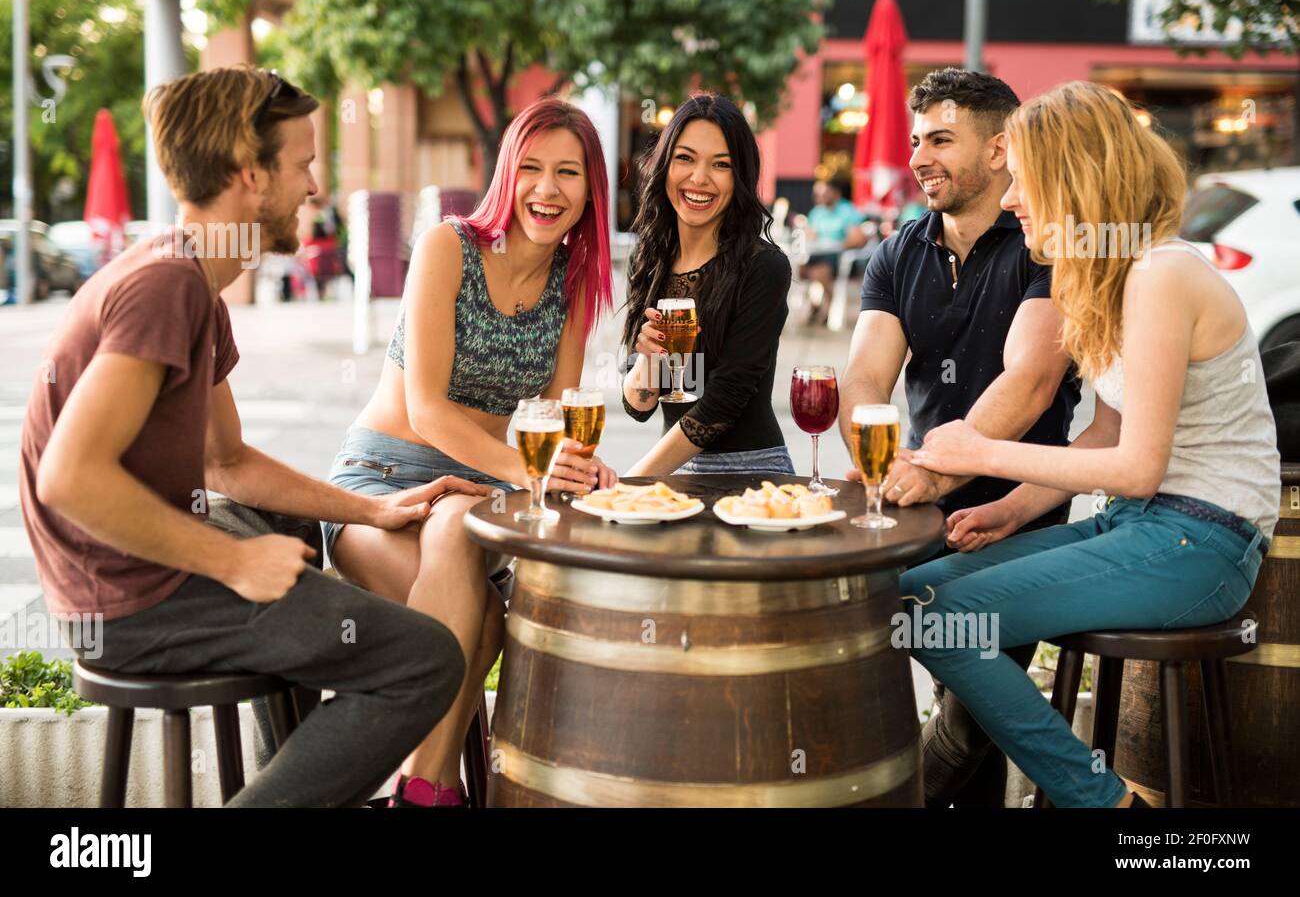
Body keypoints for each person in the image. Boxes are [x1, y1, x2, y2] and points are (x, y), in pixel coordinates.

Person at [18, 66, 475, 807]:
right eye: (302, 164)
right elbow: (69, 476)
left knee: (295, 523)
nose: (315, 187)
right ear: (248, 174)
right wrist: (231, 561)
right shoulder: (165, 287)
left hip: (130, 569)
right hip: (127, 598)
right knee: (425, 658)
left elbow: (223, 462)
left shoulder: (193, 279)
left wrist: (374, 510)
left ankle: (284, 777)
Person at [904, 80, 1282, 807]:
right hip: (1139, 525)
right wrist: (1013, 509)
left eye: (1025, 181)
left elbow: (1137, 466)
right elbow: (1107, 431)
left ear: (1075, 179)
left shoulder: (1162, 275)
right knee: (905, 598)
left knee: (946, 619)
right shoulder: (1106, 277)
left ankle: (1106, 804)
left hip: (1205, 542)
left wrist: (981, 453)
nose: (1013, 200)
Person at [325, 97, 618, 807]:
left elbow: (551, 417)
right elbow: (425, 410)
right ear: (507, 172)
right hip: (380, 489)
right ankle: (434, 788)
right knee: (485, 618)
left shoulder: (572, 285)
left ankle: (419, 790)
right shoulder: (446, 246)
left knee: (462, 531)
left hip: (475, 494)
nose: (547, 190)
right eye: (533, 169)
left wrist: (575, 466)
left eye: (569, 173)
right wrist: (527, 470)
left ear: (590, 191)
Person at [838, 68, 1081, 808]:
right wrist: (883, 470)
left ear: (1001, 149)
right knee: (953, 698)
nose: (919, 157)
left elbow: (1032, 379)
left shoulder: (1046, 242)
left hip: (1021, 507)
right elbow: (862, 383)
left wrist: (940, 472)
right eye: (916, 140)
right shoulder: (897, 252)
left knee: (975, 717)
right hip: (916, 507)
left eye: (941, 139)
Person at [622, 94, 794, 477]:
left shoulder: (764, 266)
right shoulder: (648, 261)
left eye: (721, 165)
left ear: (740, 178)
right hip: (674, 469)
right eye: (685, 158)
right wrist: (648, 364)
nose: (699, 179)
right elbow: (638, 405)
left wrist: (632, 484)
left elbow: (723, 404)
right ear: (664, 166)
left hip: (752, 471)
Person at [797, 180, 867, 326]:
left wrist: (837, 245)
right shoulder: (817, 212)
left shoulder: (848, 210)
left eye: (823, 192)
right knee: (799, 270)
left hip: (840, 255)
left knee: (820, 272)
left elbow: (857, 239)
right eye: (816, 193)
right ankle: (816, 304)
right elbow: (810, 235)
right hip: (817, 253)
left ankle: (827, 307)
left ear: (835, 193)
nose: (818, 196)